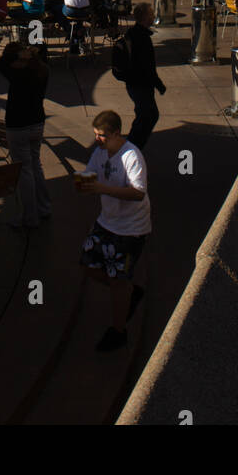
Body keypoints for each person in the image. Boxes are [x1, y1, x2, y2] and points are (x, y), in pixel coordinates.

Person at [77, 109, 151, 352]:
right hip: (107, 222)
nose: (98, 140)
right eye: (96, 135)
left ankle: (118, 331)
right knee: (88, 264)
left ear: (117, 134)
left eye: (102, 136)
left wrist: (101, 188)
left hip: (130, 229)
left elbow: (138, 193)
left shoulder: (132, 156)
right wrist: (84, 182)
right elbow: (91, 174)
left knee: (118, 280)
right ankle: (129, 292)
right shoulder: (99, 153)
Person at [0, 41, 51, 230]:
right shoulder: (42, 70)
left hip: (18, 124)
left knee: (24, 170)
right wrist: (29, 54)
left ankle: (29, 216)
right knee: (36, 164)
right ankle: (44, 207)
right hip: (37, 121)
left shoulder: (16, 73)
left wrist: (18, 56)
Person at [112, 3, 166, 148]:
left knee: (144, 114)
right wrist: (158, 84)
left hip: (134, 82)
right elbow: (148, 66)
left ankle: (133, 145)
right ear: (145, 18)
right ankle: (132, 146)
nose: (153, 17)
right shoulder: (142, 38)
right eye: (151, 14)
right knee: (148, 115)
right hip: (140, 83)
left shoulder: (133, 34)